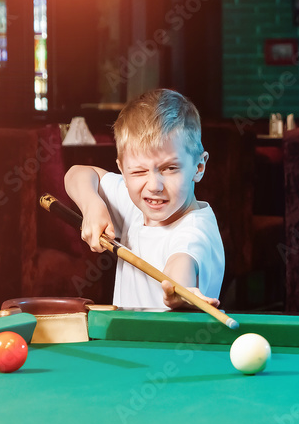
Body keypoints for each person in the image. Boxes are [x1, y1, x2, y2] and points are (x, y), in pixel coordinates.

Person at [65, 89, 225, 310]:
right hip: (124, 341)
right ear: (122, 170)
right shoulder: (136, 203)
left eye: (170, 168)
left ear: (199, 167)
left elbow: (181, 264)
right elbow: (76, 173)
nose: (154, 186)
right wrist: (92, 205)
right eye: (139, 172)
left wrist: (179, 290)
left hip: (172, 344)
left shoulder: (195, 230)